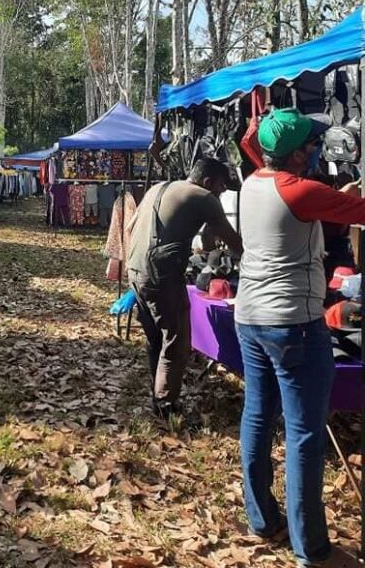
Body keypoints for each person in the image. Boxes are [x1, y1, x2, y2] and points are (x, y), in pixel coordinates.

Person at [236, 107, 365, 568]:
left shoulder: (253, 181)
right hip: (293, 324)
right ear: (296, 155)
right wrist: (347, 195)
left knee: (257, 417)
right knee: (304, 434)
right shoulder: (302, 191)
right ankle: (312, 549)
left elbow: (255, 144)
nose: (316, 150)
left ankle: (262, 519)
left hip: (250, 318)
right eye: (311, 145)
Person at [127, 157, 243, 419]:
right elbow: (232, 242)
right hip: (161, 275)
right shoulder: (203, 197)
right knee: (176, 342)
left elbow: (131, 226)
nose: (222, 192)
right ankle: (166, 407)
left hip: (135, 269)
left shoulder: (159, 187)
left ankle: (157, 395)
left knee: (156, 338)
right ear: (208, 182)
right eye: (221, 187)